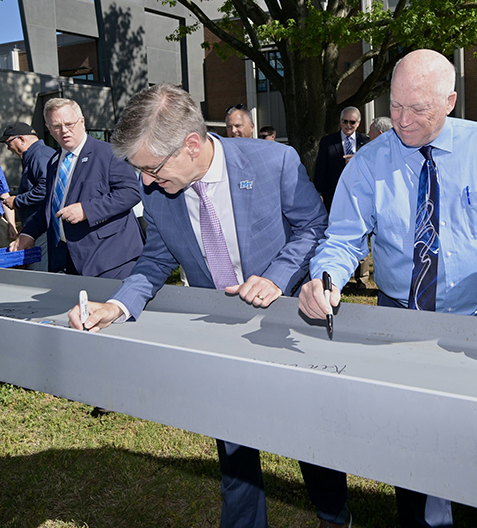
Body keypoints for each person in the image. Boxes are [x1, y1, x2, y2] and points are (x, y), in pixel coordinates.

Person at [69, 84, 343, 528]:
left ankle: (333, 514)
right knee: (233, 441)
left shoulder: (274, 162)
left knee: (309, 433)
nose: (146, 182)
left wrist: (276, 277)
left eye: (152, 169)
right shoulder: (157, 189)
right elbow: (156, 258)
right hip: (219, 332)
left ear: (191, 145)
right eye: (141, 171)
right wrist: (117, 306)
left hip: (288, 324)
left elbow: (313, 226)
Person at [299, 49, 477, 528]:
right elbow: (343, 239)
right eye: (395, 106)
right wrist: (324, 279)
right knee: (412, 439)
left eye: (418, 109)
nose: (402, 120)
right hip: (399, 320)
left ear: (450, 101)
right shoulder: (368, 164)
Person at [8, 98, 143, 279]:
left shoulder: (109, 153)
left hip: (111, 259)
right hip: (66, 259)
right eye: (56, 126)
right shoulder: (53, 162)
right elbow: (49, 206)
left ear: (82, 122)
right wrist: (28, 233)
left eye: (69, 124)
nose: (64, 130)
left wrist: (86, 210)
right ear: (48, 128)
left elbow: (130, 193)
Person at [0, 122, 55, 270]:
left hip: (43, 229)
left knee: (38, 273)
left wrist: (17, 201)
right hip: (37, 225)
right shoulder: (36, 154)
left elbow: (46, 189)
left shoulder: (40, 155)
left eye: (8, 143)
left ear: (21, 139)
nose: (8, 148)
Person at [312, 106, 369, 211]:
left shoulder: (366, 142)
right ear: (340, 121)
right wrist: (319, 193)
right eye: (345, 121)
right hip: (333, 196)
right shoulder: (328, 141)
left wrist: (357, 160)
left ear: (358, 123)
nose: (348, 125)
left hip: (359, 197)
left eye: (352, 122)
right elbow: (320, 169)